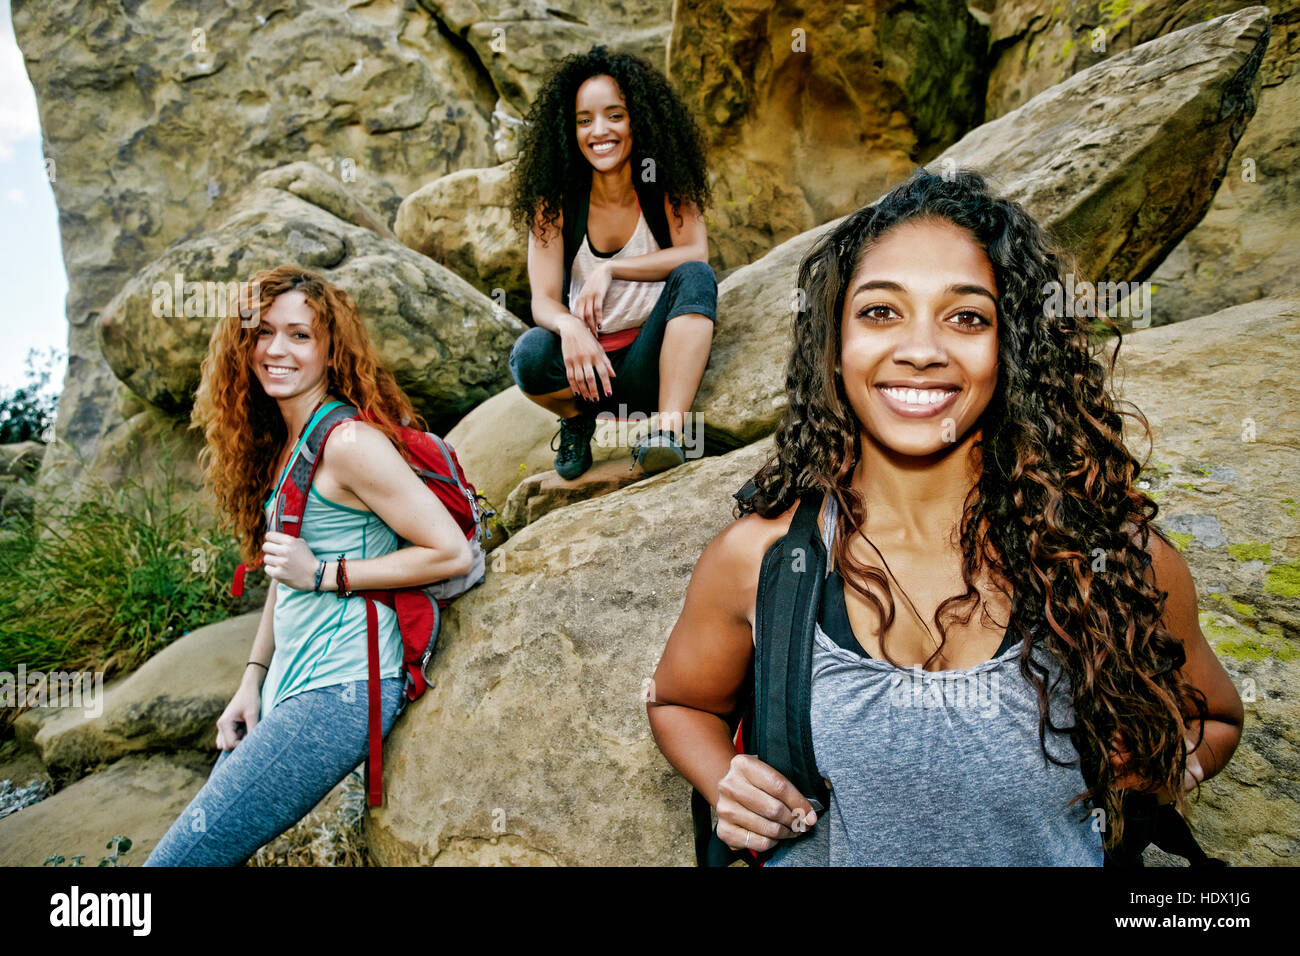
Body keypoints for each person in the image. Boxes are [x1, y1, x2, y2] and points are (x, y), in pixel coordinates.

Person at [645, 171, 1244, 865]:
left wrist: (1162, 767)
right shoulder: (760, 560)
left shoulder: (1117, 558)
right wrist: (725, 781)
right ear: (833, 348)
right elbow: (678, 703)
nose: (923, 349)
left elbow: (1215, 717)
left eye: (966, 317)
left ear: (1011, 348)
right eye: (880, 312)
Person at [145, 266, 473, 866]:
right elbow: (284, 574)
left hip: (345, 687)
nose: (276, 349)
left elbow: (449, 550)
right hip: (287, 687)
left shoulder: (348, 443)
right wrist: (252, 680)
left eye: (300, 335)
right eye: (264, 332)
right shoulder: (288, 447)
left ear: (330, 349)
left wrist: (326, 573)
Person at [508, 45, 717, 480]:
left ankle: (667, 432)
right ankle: (577, 420)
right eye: (585, 120)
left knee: (695, 278)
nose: (599, 131)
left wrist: (611, 269)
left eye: (614, 115)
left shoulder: (664, 180)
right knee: (528, 355)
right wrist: (569, 327)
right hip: (588, 374)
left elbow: (696, 253)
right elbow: (543, 300)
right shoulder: (556, 202)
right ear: (570, 130)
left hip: (653, 362)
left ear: (638, 118)